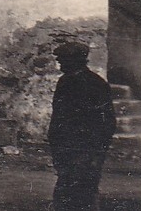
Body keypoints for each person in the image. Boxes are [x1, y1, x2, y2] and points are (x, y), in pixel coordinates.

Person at [49, 41, 117, 211]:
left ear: (76, 60)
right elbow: (58, 115)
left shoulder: (96, 84)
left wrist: (97, 151)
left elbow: (107, 121)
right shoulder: (64, 81)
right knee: (65, 192)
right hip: (65, 147)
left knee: (84, 192)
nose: (59, 63)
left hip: (86, 149)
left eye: (63, 59)